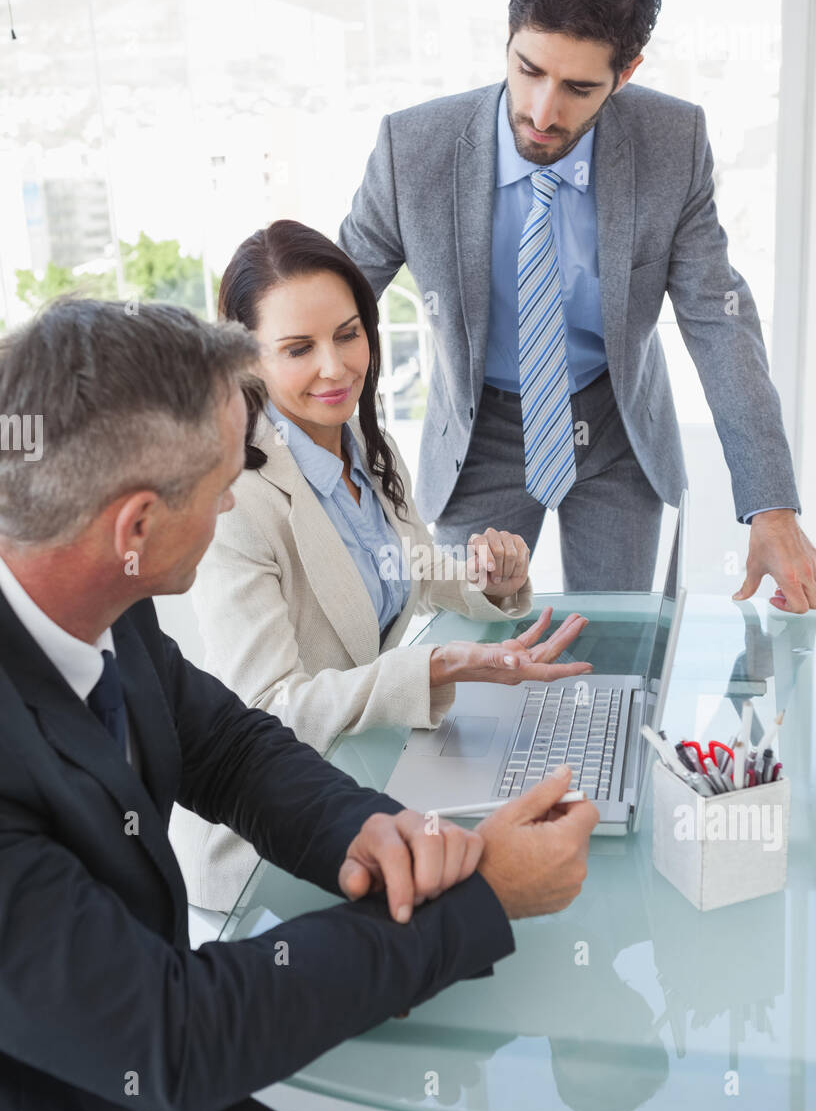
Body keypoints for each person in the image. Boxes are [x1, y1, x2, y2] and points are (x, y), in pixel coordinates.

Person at [0, 296, 599, 1111]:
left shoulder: (110, 599)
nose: (235, 497)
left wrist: (370, 832)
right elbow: (175, 1036)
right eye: (219, 482)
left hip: (127, 1063)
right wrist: (479, 898)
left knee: (412, 1012)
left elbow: (230, 750)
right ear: (134, 529)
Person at [337, 0, 816, 614]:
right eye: (528, 70)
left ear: (626, 74)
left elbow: (718, 317)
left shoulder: (672, 142)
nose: (541, 112)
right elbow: (334, 295)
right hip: (482, 431)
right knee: (474, 641)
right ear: (508, 39)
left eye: (578, 87)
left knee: (616, 638)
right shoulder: (412, 149)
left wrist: (772, 506)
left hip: (614, 423)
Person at [171, 219, 593, 913]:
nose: (335, 368)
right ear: (248, 360)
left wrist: (493, 576)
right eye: (298, 348)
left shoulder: (366, 442)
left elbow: (414, 568)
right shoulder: (234, 497)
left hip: (363, 777)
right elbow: (268, 714)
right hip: (266, 854)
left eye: (348, 333)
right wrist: (431, 670)